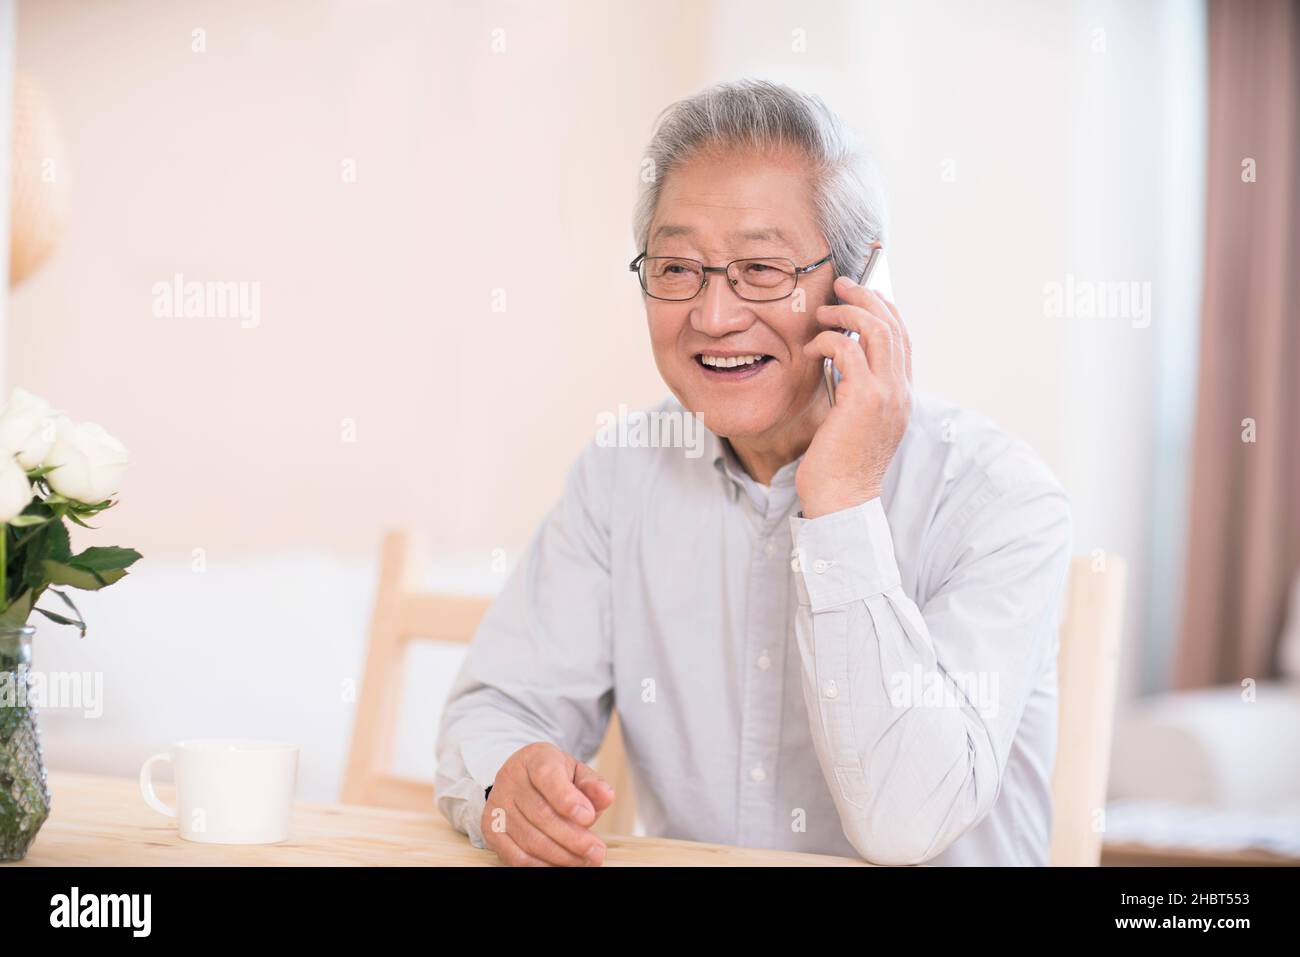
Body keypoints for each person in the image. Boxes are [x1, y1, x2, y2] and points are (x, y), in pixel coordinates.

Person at [434, 78, 1072, 866]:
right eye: (677, 268)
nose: (712, 316)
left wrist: (840, 503)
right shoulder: (619, 475)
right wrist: (509, 779)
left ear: (860, 285)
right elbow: (497, 708)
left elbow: (906, 825)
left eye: (761, 270)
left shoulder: (998, 498)